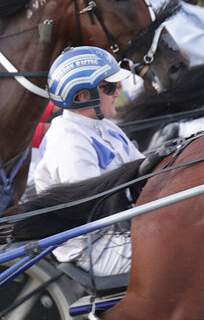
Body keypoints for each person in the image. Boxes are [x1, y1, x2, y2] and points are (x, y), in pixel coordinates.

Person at [32, 47, 145, 277]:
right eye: (111, 87)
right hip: (96, 250)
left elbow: (144, 172)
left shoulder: (106, 127)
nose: (117, 93)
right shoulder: (68, 141)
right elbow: (96, 210)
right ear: (83, 95)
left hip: (124, 230)